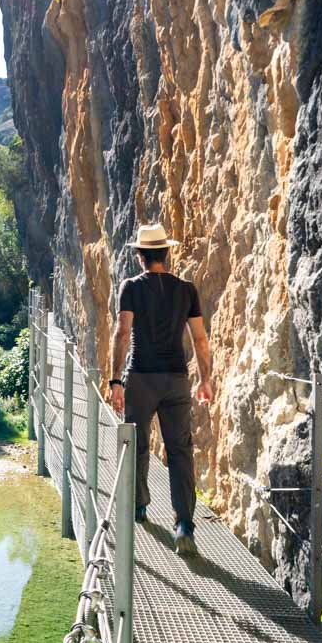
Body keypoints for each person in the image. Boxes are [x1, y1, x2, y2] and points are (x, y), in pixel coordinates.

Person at [104, 223, 213, 556]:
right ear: (167, 252)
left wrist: (115, 379)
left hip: (141, 379)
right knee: (180, 450)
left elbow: (123, 333)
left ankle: (139, 506)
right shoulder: (186, 290)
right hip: (177, 379)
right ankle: (184, 525)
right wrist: (206, 379)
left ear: (140, 256)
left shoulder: (131, 287)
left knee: (136, 445)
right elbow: (199, 339)